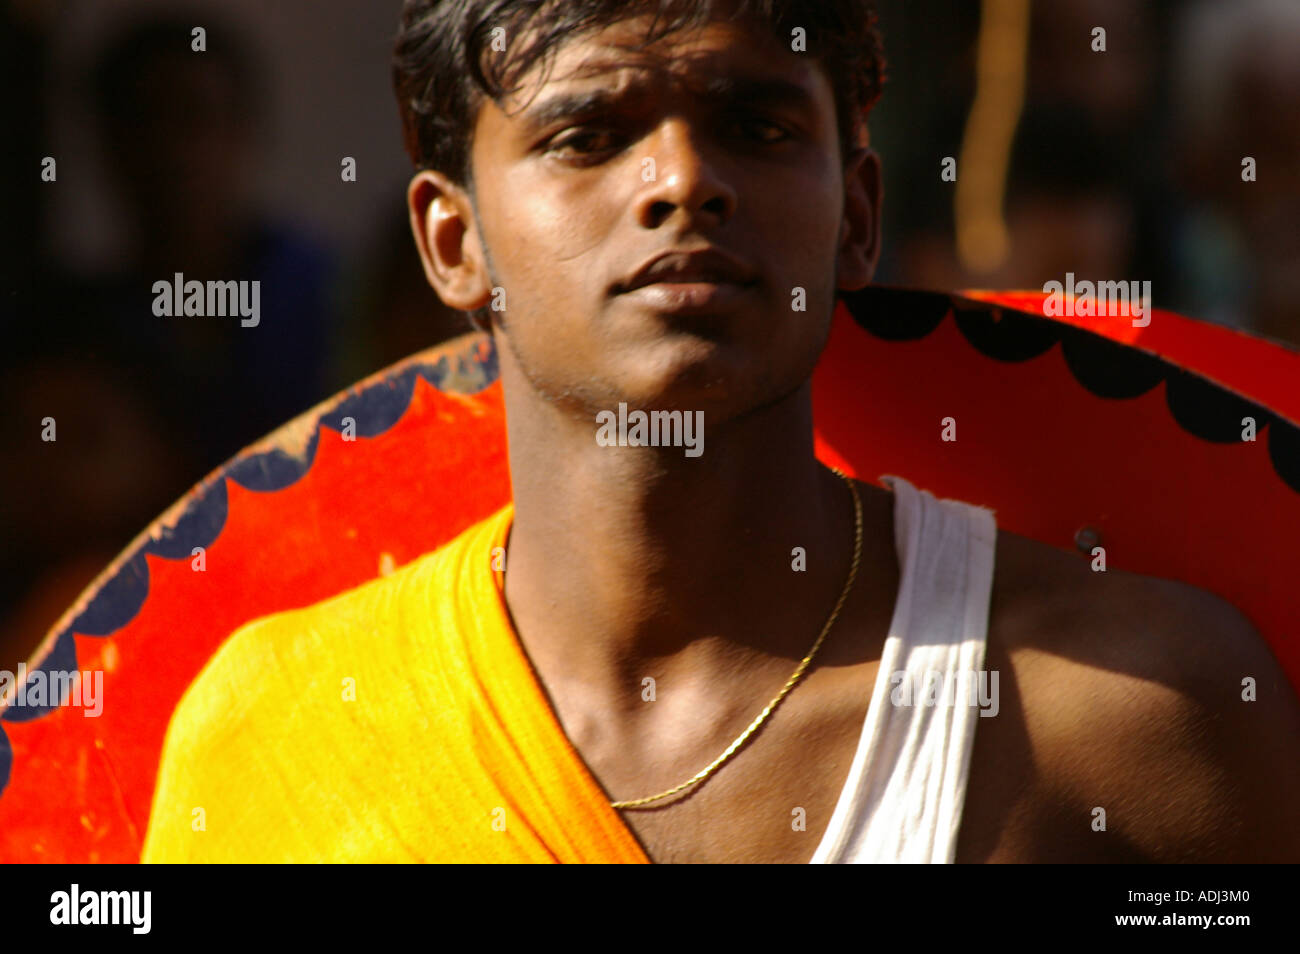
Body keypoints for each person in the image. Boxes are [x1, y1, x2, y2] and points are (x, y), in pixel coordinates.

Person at [141, 0, 1300, 863]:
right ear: (454, 245)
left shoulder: (1128, 714)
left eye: (753, 124)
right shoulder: (273, 728)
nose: (682, 181)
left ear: (855, 217)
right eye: (587, 134)